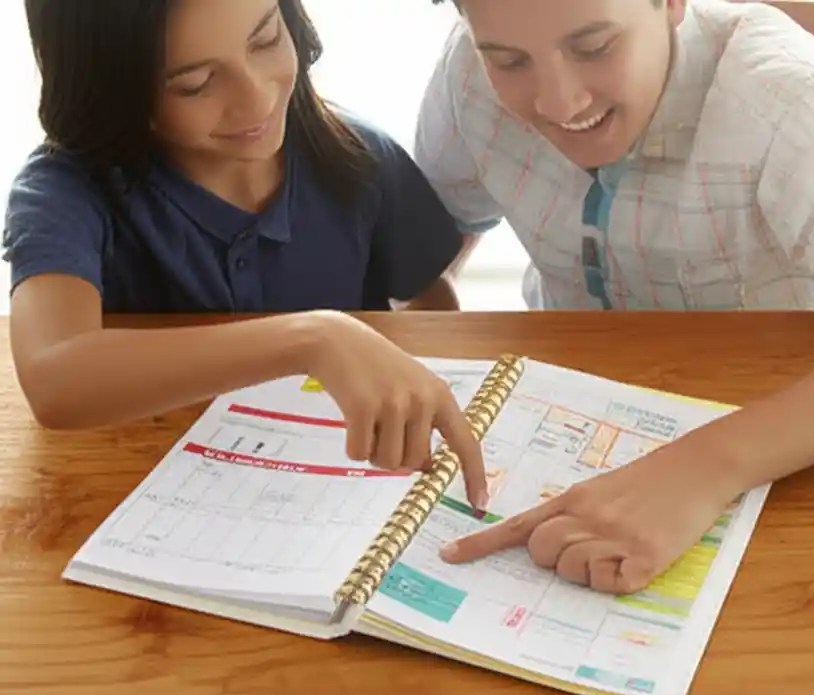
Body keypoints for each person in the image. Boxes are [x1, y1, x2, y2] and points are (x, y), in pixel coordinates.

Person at [419, 0, 814, 592]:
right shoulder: (465, 72)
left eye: (595, 47)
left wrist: (703, 468)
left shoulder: (790, 101)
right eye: (510, 61)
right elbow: (427, 241)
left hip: (793, 451)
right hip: (568, 431)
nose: (558, 102)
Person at [3, 0, 485, 500]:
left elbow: (431, 302)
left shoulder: (357, 156)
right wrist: (313, 339)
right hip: (128, 491)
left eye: (266, 39)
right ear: (110, 87)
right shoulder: (67, 192)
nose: (256, 98)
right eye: (195, 83)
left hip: (334, 490)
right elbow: (53, 376)